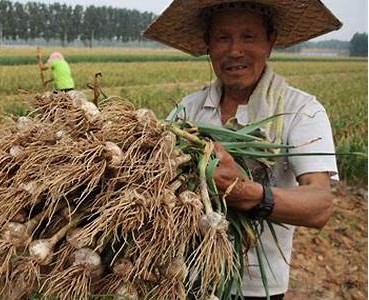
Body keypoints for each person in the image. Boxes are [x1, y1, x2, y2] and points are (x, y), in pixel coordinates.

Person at [143, 1, 341, 299]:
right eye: (223, 38)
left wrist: (245, 193)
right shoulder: (187, 110)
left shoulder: (301, 111)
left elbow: (320, 205)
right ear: (208, 45)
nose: (235, 50)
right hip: (183, 278)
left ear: (270, 42)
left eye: (248, 37)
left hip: (255, 288)